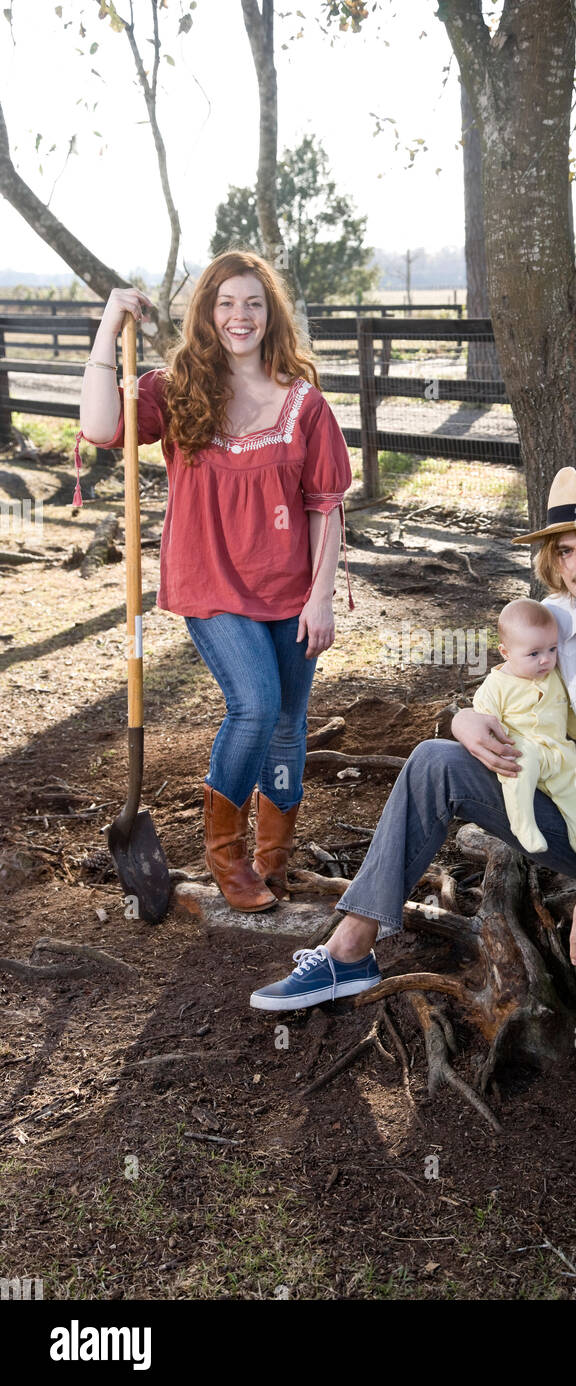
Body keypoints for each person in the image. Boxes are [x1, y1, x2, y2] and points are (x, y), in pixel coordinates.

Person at [250, 463, 576, 1101]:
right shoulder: (558, 623)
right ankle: (349, 953)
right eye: (566, 550)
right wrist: (463, 719)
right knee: (434, 760)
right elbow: (504, 689)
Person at [78, 250, 353, 915]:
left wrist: (320, 597)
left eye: (253, 303)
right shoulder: (176, 391)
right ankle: (226, 856)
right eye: (226, 303)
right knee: (255, 705)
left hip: (291, 591)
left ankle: (274, 861)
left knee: (288, 727)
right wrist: (111, 320)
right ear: (207, 313)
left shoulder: (304, 404)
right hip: (210, 584)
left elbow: (326, 506)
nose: (240, 316)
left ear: (271, 314)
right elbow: (98, 426)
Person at [472, 598, 576, 861]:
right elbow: (485, 722)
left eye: (552, 649)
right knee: (520, 763)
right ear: (506, 653)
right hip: (520, 745)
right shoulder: (496, 685)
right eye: (534, 654)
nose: (545, 660)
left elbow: (569, 712)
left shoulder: (555, 677)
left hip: (556, 747)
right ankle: (523, 823)